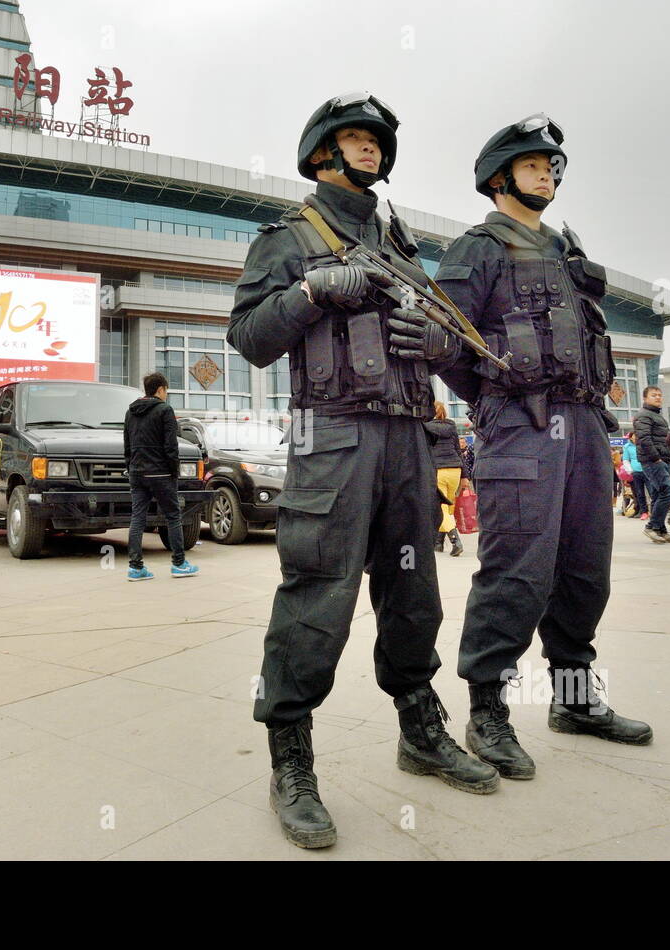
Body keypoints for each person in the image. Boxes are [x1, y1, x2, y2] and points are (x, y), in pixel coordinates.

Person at [229, 92, 496, 849]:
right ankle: (291, 761)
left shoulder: (400, 243)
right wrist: (310, 292)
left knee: (414, 594)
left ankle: (421, 731)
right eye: (354, 137)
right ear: (321, 151)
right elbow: (248, 336)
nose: (370, 148)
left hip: (409, 436)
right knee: (317, 595)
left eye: (376, 140)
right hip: (332, 435)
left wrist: (437, 343)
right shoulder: (286, 238)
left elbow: (451, 340)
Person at [435, 112, 652, 785]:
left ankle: (575, 700)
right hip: (521, 424)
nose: (546, 174)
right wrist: (501, 394)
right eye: (532, 165)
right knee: (517, 573)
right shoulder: (478, 247)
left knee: (586, 569)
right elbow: (447, 341)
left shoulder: (563, 249)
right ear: (499, 177)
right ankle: (488, 713)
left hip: (585, 423)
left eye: (551, 166)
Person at [123, 372, 198, 582]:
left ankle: (135, 568)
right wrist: (174, 471)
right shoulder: (164, 410)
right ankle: (179, 564)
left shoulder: (130, 411)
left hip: (137, 472)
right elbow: (171, 446)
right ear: (160, 390)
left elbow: (127, 446)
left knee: (137, 518)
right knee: (173, 516)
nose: (166, 394)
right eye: (166, 390)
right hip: (161, 473)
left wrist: (131, 467)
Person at [632, 386, 670, 543]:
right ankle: (651, 527)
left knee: (659, 494)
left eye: (660, 395)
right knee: (668, 492)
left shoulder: (657, 415)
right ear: (645, 398)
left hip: (664, 459)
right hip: (653, 460)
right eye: (654, 395)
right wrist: (655, 457)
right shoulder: (643, 415)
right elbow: (644, 438)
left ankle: (660, 529)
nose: (658, 398)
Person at [425, 401, 470, 556]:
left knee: (440, 507)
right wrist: (465, 476)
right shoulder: (451, 426)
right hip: (455, 471)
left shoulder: (426, 426)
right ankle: (438, 543)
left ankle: (455, 540)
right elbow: (458, 450)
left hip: (438, 470)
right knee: (448, 506)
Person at [621, 431, 647, 520]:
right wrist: (630, 471)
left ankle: (651, 511)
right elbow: (625, 460)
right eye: (634, 436)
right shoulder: (627, 447)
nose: (636, 438)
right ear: (631, 437)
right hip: (635, 472)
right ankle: (641, 511)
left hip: (647, 471)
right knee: (638, 493)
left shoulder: (644, 445)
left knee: (652, 492)